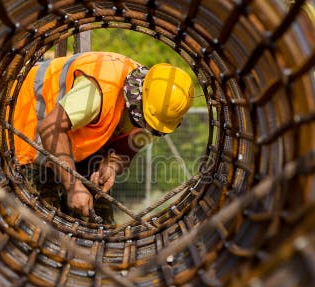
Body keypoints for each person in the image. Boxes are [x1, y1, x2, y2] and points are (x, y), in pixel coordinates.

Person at [12, 51, 194, 223]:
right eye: (145, 122)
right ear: (138, 104)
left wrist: (112, 165)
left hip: (68, 149)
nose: (146, 129)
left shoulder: (151, 101)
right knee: (42, 226)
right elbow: (50, 128)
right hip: (24, 136)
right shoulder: (98, 91)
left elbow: (129, 144)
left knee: (98, 224)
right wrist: (74, 186)